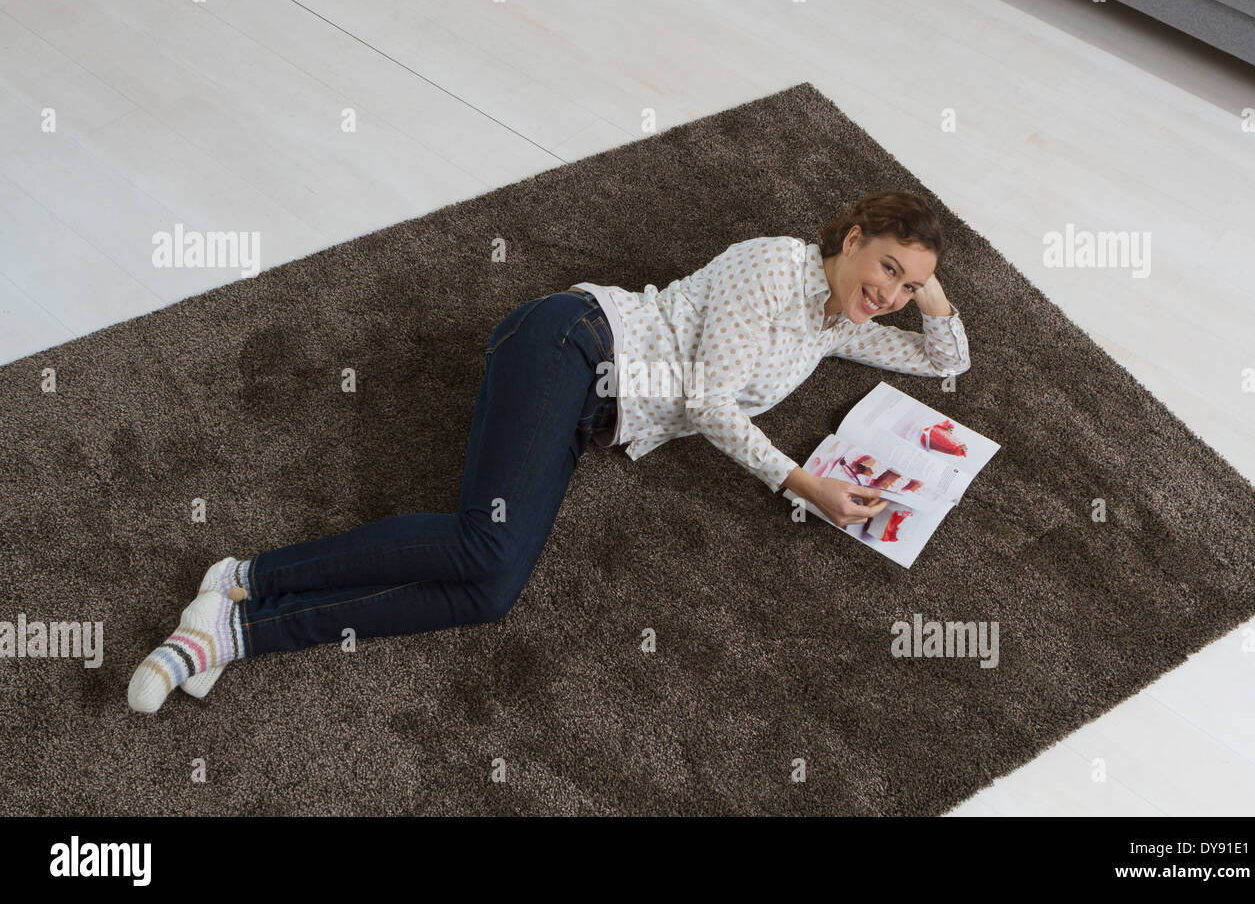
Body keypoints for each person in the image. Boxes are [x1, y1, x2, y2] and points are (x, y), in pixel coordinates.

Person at [127, 190, 971, 713]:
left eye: (906, 286)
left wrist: (931, 291)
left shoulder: (838, 321)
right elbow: (708, 400)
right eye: (887, 266)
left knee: (490, 592)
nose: (888, 293)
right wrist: (802, 482)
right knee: (480, 540)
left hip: (597, 410)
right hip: (573, 343)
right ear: (851, 235)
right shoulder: (776, 268)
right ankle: (245, 576)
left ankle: (233, 634)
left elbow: (947, 362)